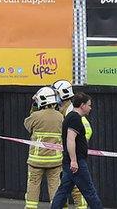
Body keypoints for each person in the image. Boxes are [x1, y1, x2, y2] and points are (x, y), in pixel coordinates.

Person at [50, 93, 103, 209]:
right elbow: (70, 139)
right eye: (89, 105)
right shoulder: (74, 118)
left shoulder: (71, 117)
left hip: (70, 162)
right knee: (90, 192)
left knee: (63, 192)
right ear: (82, 105)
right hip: (77, 163)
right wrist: (74, 161)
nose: (90, 108)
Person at [24, 87, 64, 209]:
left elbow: (27, 125)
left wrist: (34, 107)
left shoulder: (35, 116)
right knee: (55, 188)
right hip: (55, 160)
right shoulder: (60, 116)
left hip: (37, 160)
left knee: (33, 186)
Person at [52, 80, 90, 209]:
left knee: (77, 188)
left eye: (56, 94)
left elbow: (86, 131)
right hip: (70, 156)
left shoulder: (70, 111)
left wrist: (75, 151)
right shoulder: (64, 108)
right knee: (67, 187)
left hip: (74, 157)